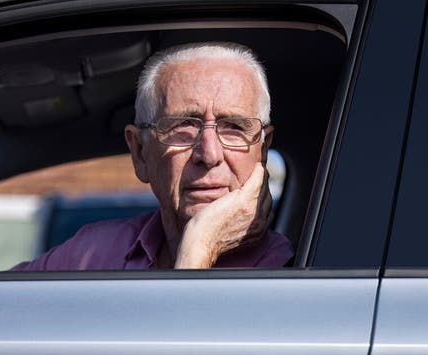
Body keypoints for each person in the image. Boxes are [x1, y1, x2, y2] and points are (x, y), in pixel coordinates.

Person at [14, 42, 293, 271]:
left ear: (263, 150)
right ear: (139, 153)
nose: (209, 154)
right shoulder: (93, 254)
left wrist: (200, 247)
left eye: (233, 127)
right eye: (183, 126)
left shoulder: (284, 272)